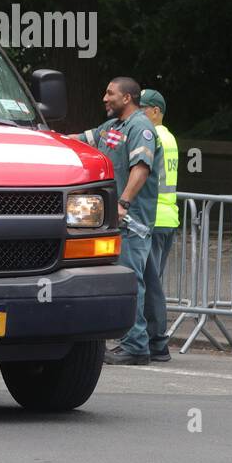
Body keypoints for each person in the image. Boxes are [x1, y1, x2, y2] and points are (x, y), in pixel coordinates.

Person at [72, 76, 162, 365]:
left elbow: (141, 169)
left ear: (127, 98)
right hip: (119, 219)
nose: (104, 98)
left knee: (131, 278)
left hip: (131, 220)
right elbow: (81, 140)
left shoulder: (140, 128)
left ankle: (135, 345)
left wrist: (123, 203)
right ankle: (153, 343)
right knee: (141, 278)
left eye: (110, 93)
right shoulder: (113, 127)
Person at [140, 88, 179, 362]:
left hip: (153, 218)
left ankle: (157, 342)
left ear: (155, 111)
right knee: (151, 280)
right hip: (167, 218)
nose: (138, 114)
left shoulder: (152, 136)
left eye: (143, 109)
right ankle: (151, 339)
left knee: (149, 282)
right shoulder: (169, 137)